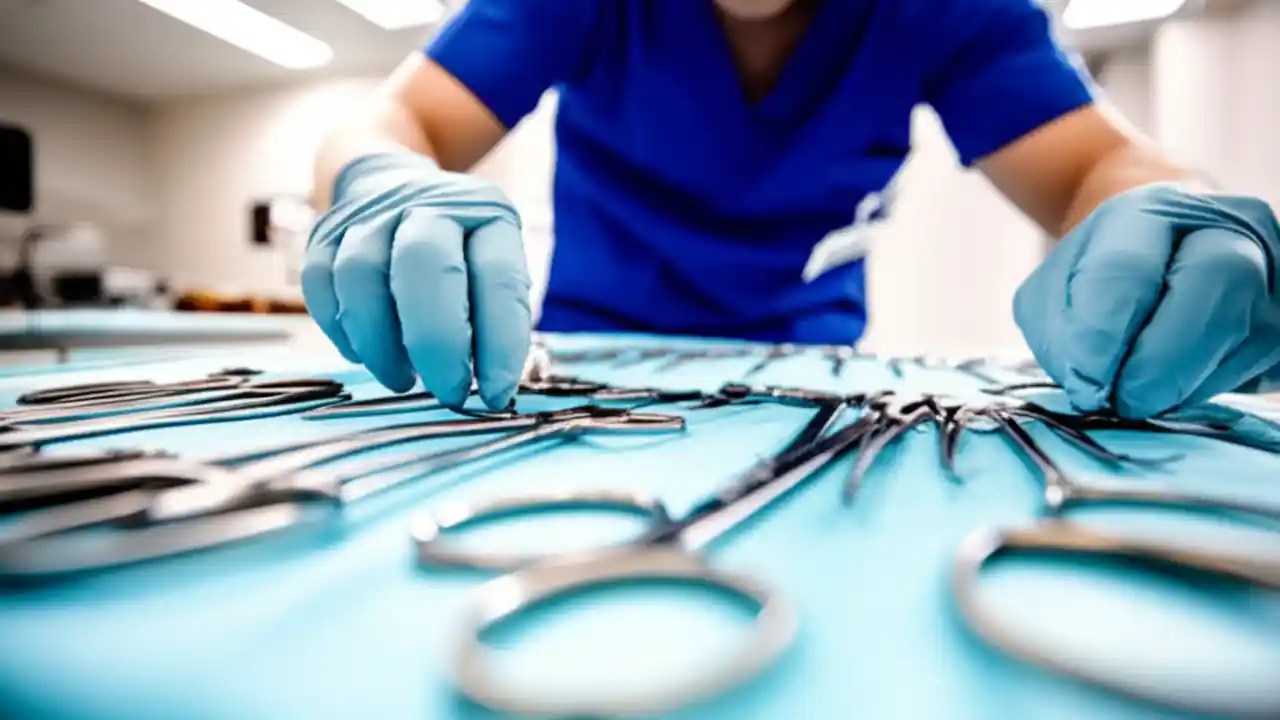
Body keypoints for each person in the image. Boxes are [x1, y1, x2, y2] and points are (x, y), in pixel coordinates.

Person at [304, 0, 1280, 418]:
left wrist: (1181, 217)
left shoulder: (944, 9)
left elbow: (1095, 166)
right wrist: (378, 183)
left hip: (815, 387)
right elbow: (399, 118)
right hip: (583, 368)